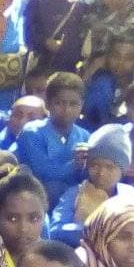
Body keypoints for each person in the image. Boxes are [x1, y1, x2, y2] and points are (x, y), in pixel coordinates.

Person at [50, 124, 134, 247]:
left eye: (110, 167)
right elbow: (56, 230)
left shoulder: (131, 197)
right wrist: (96, 230)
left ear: (122, 170)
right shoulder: (76, 193)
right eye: (95, 165)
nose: (101, 173)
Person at [15, 72, 90, 204]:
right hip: (35, 195)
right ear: (48, 104)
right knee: (54, 187)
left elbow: (85, 176)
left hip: (74, 197)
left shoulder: (85, 135)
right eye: (59, 103)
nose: (66, 109)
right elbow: (42, 172)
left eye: (73, 104)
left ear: (81, 105)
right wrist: (74, 165)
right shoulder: (32, 132)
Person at [82, 33, 134, 130]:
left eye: (128, 58)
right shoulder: (101, 83)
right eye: (116, 56)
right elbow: (77, 99)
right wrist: (91, 70)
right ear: (107, 57)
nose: (121, 62)